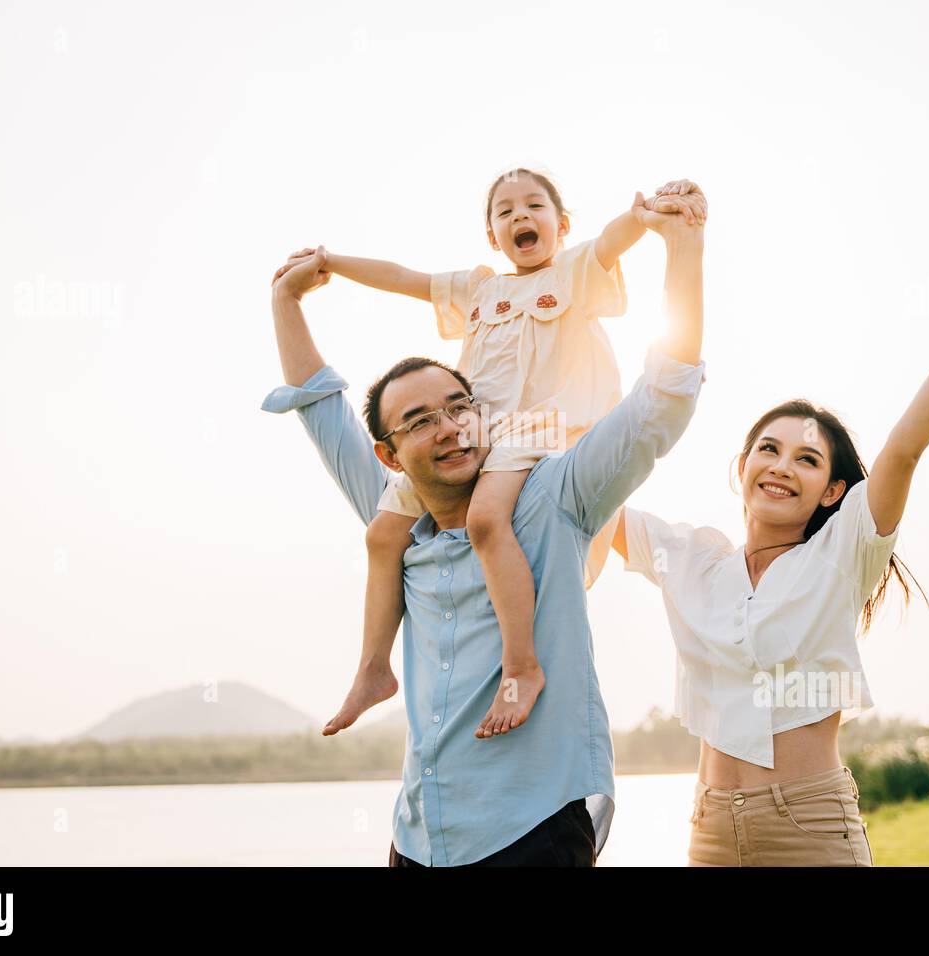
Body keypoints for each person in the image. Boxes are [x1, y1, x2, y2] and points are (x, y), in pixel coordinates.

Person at [259, 183, 708, 866]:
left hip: (533, 832)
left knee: (492, 521)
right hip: (420, 837)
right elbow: (322, 408)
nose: (448, 429)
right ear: (391, 454)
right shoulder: (396, 509)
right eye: (419, 422)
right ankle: (370, 671)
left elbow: (663, 399)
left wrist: (680, 243)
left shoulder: (553, 498)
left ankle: (519, 666)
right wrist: (287, 298)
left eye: (457, 407)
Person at [612, 253, 929, 866]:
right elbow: (585, 492)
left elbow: (904, 449)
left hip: (808, 823)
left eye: (807, 459)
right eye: (768, 449)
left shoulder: (843, 551)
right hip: (709, 830)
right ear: (744, 465)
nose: (781, 465)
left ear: (834, 490)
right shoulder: (689, 555)